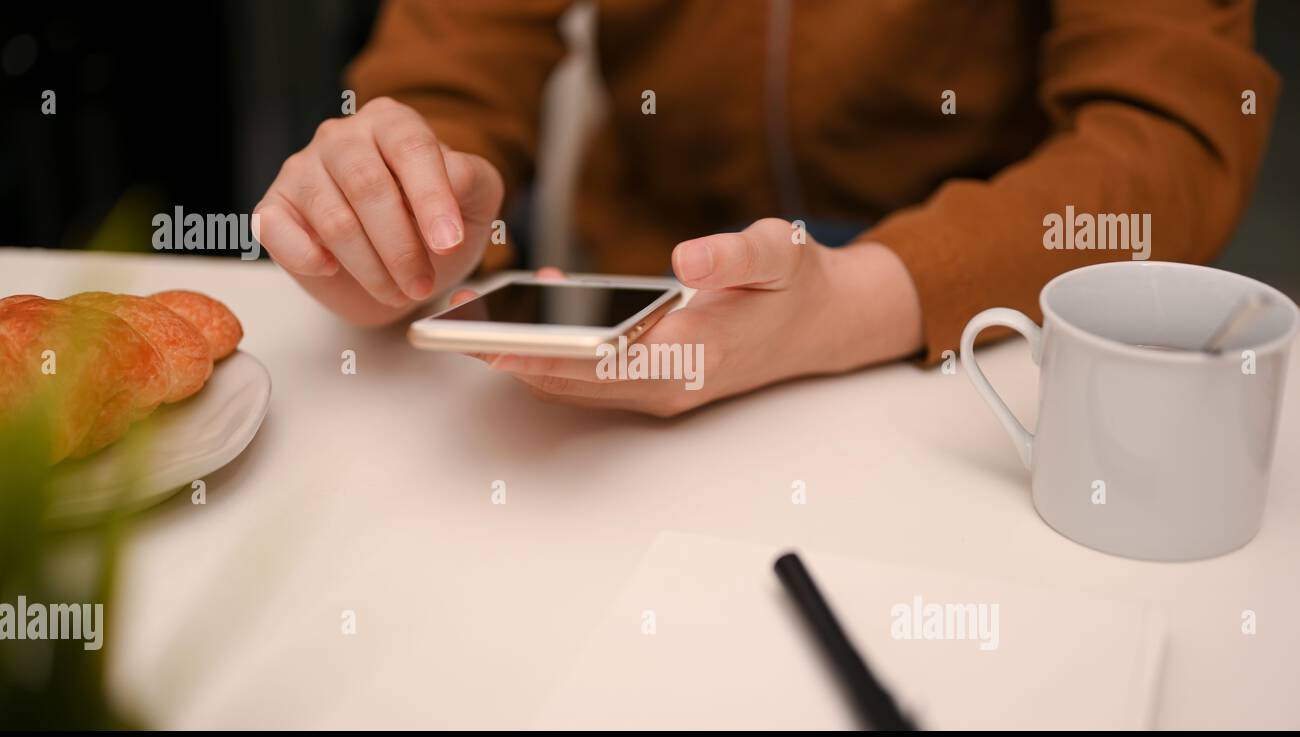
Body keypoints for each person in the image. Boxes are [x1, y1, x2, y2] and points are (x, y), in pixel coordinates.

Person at [253, 0, 1278, 416]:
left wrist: (861, 299)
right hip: (637, 305)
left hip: (982, 339)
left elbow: (1172, 130)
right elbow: (451, 53)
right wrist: (406, 182)